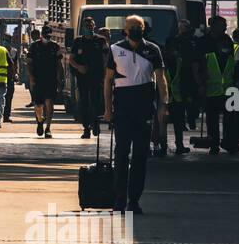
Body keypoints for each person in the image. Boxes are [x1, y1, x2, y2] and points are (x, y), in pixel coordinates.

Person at [103, 14, 169, 215]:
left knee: (141, 156)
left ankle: (134, 201)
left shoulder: (153, 50)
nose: (136, 30)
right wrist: (107, 109)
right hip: (122, 110)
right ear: (125, 29)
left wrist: (164, 104)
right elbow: (107, 81)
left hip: (144, 109)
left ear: (144, 29)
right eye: (132, 26)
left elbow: (161, 78)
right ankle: (119, 200)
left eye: (139, 26)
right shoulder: (115, 50)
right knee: (121, 154)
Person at [201, 14, 238, 153]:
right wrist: (200, 82)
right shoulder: (204, 42)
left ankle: (229, 142)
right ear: (214, 26)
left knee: (231, 117)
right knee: (212, 118)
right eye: (222, 26)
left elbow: (231, 61)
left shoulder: (227, 40)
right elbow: (198, 63)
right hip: (212, 87)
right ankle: (214, 143)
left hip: (230, 87)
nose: (225, 28)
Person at [68, 15, 107, 139]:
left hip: (97, 77)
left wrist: (106, 75)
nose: (89, 28)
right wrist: (79, 67)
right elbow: (71, 59)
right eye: (87, 26)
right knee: (83, 103)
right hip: (82, 77)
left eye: (91, 26)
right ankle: (86, 128)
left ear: (94, 27)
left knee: (97, 102)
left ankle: (96, 124)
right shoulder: (78, 41)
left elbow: (106, 59)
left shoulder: (101, 40)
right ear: (83, 28)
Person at [27, 24, 63, 138]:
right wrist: (31, 78)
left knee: (50, 104)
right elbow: (28, 63)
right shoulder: (34, 46)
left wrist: (60, 79)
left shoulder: (55, 47)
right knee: (38, 105)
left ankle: (48, 128)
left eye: (49, 36)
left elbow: (59, 64)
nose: (47, 38)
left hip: (51, 79)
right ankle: (39, 121)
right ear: (41, 35)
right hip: (38, 79)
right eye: (45, 35)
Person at [159, 32, 191, 155]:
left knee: (179, 123)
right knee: (163, 123)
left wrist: (187, 95)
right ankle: (163, 147)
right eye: (173, 48)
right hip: (164, 98)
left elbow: (184, 79)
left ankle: (179, 145)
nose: (175, 51)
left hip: (177, 97)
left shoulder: (180, 61)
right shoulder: (161, 62)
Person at [2, 29, 17, 122]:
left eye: (7, 40)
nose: (5, 42)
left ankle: (6, 116)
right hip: (1, 76)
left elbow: (15, 64)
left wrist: (15, 74)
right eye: (4, 40)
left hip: (10, 77)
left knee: (9, 97)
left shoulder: (14, 51)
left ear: (11, 41)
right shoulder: (0, 50)